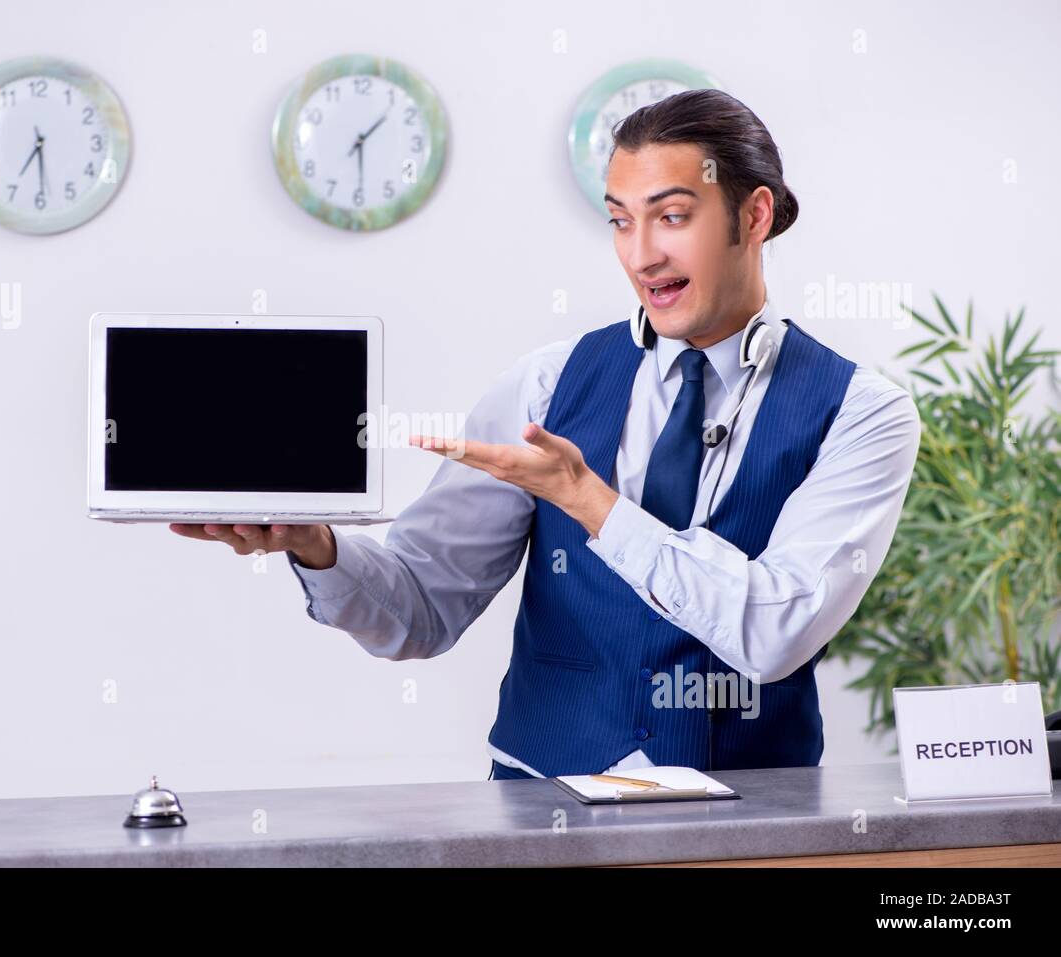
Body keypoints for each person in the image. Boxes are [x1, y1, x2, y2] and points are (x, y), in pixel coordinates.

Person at [171, 89, 921, 781]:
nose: (641, 255)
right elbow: (422, 611)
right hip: (546, 806)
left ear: (753, 216)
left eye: (672, 216)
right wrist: (318, 547)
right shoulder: (546, 384)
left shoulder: (861, 412)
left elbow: (776, 632)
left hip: (758, 816)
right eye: (621, 220)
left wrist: (591, 503)